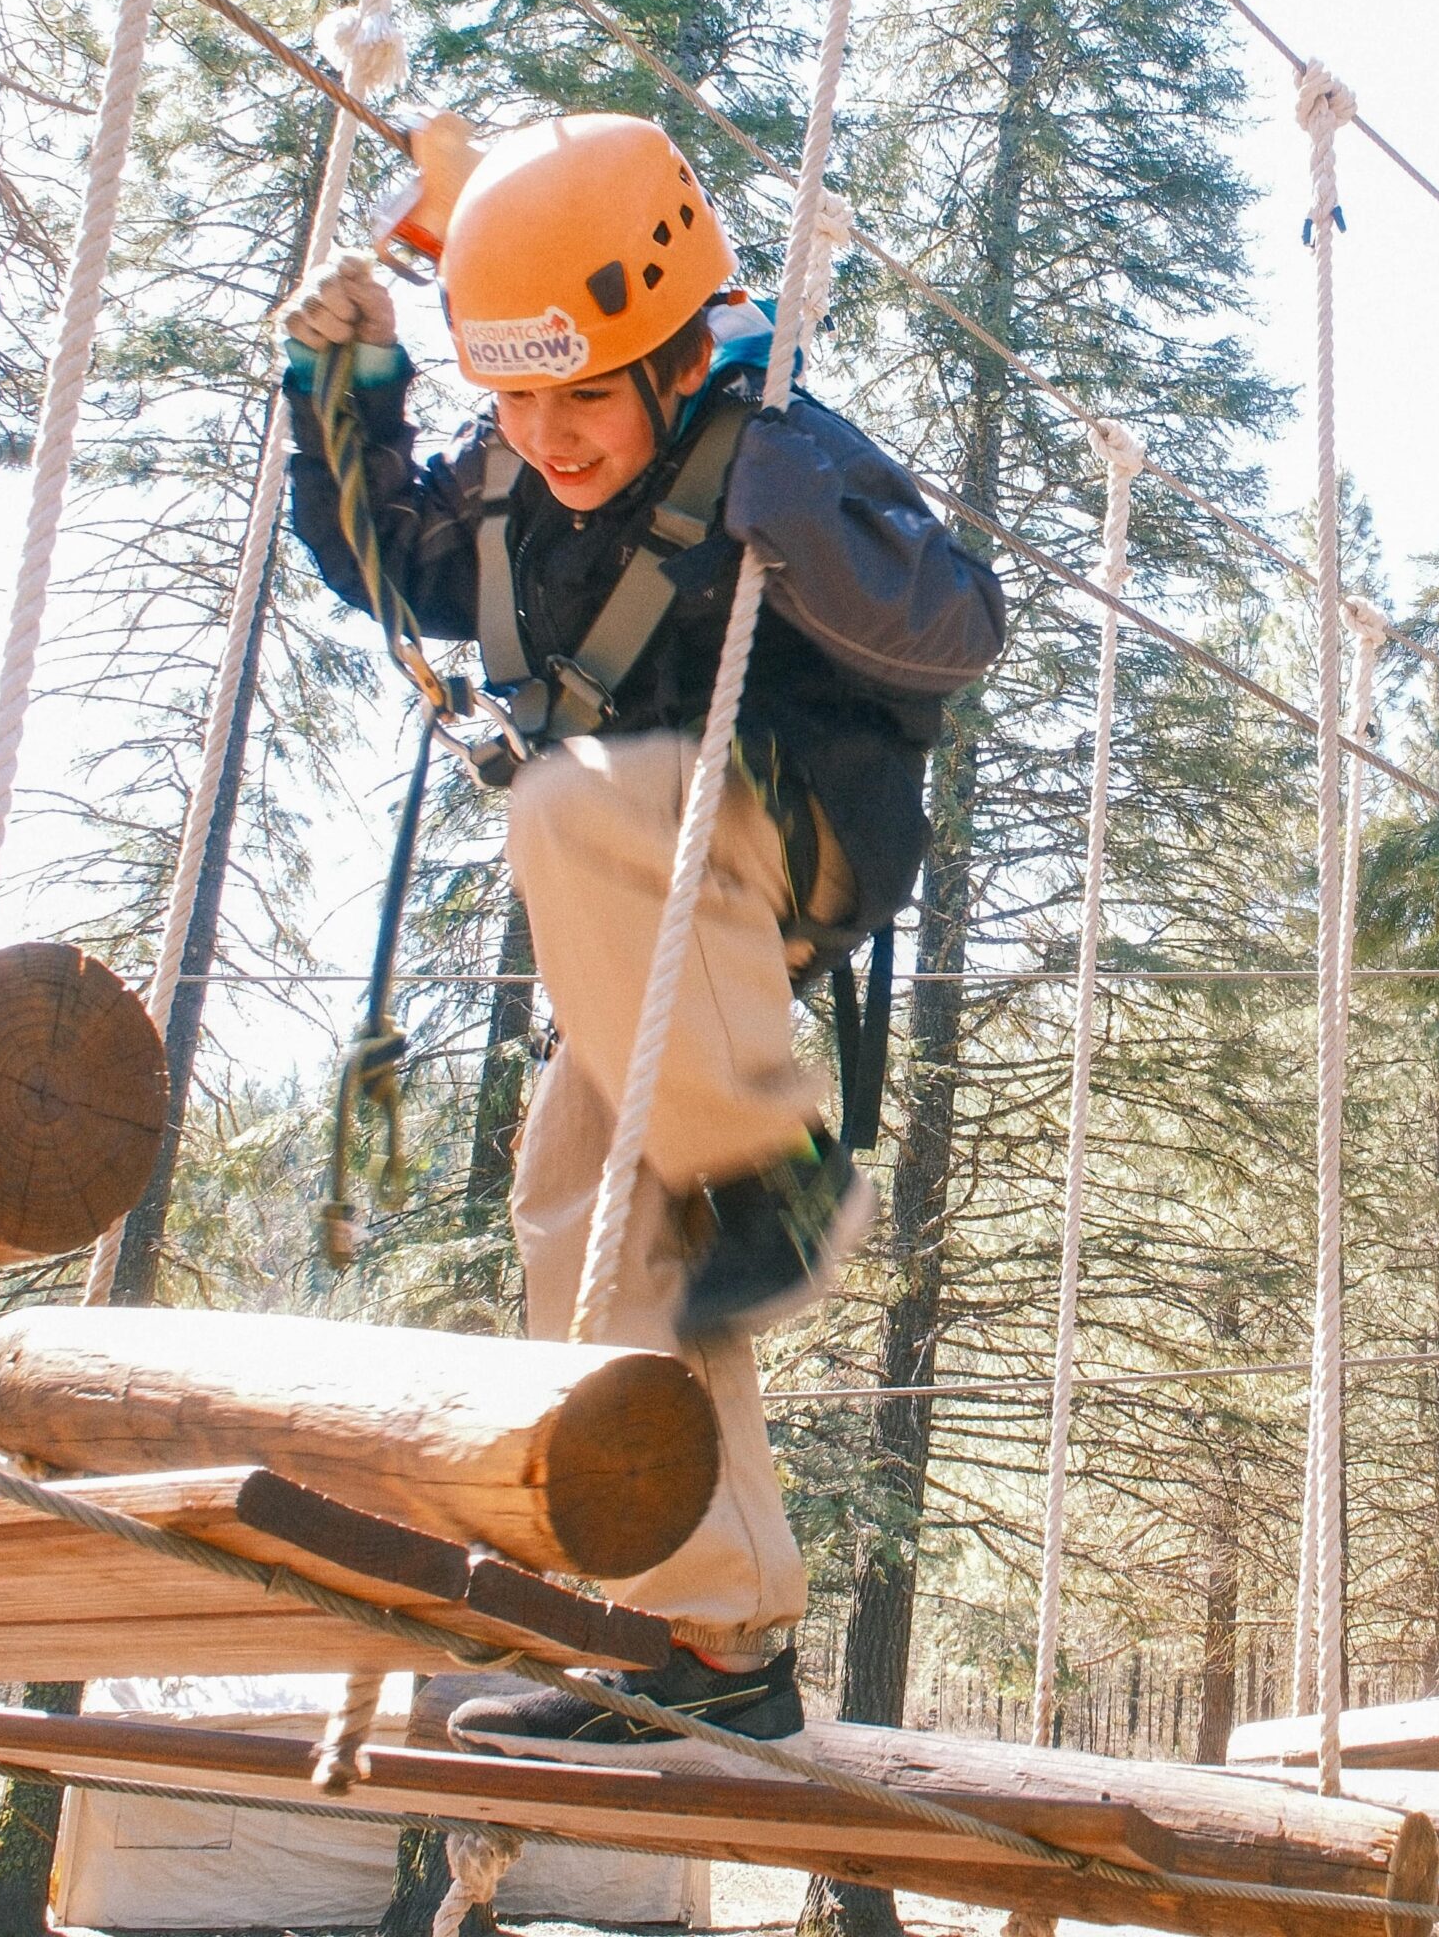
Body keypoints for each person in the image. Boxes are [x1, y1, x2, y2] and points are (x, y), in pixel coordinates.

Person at [283, 111, 1004, 1745]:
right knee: (583, 1209)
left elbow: (959, 623)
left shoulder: (779, 445)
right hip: (653, 892)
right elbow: (395, 572)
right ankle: (710, 1640)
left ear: (675, 358)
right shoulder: (519, 485)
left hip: (782, 828)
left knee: (565, 807)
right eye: (515, 396)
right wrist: (355, 398)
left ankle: (776, 1164)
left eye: (586, 393)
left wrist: (781, 508)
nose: (549, 434)